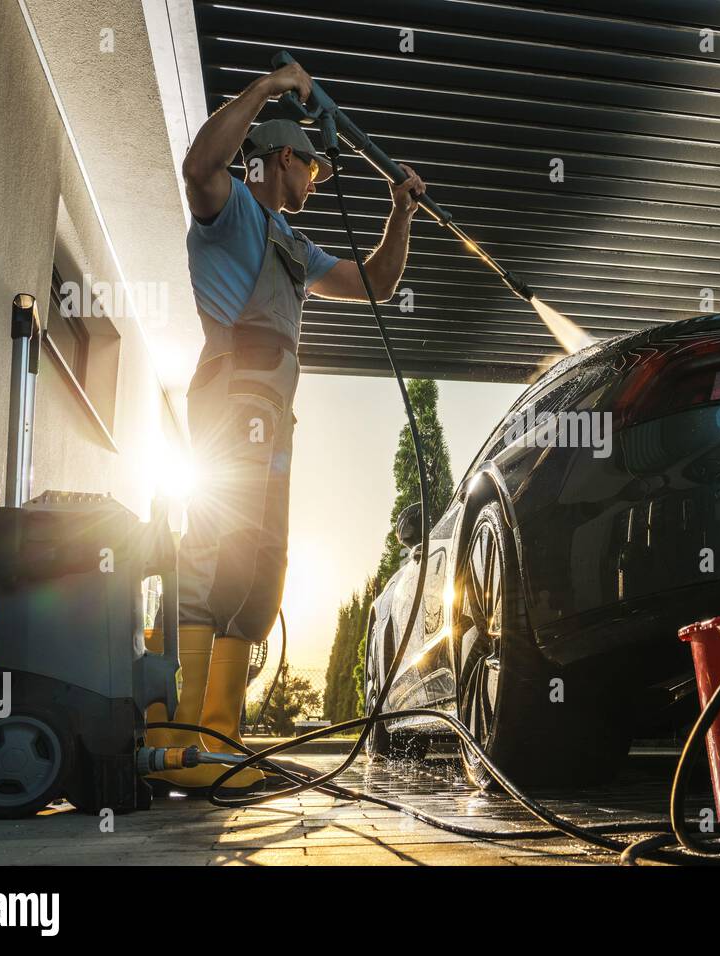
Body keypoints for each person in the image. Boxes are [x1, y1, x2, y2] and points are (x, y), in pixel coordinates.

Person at [146, 60, 426, 793]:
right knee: (218, 558)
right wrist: (271, 87)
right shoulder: (230, 207)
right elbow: (198, 163)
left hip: (272, 416)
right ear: (282, 158)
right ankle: (186, 738)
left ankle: (214, 742)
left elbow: (377, 283)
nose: (314, 184)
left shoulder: (299, 249)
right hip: (232, 397)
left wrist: (401, 212)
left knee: (261, 569)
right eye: (310, 169)